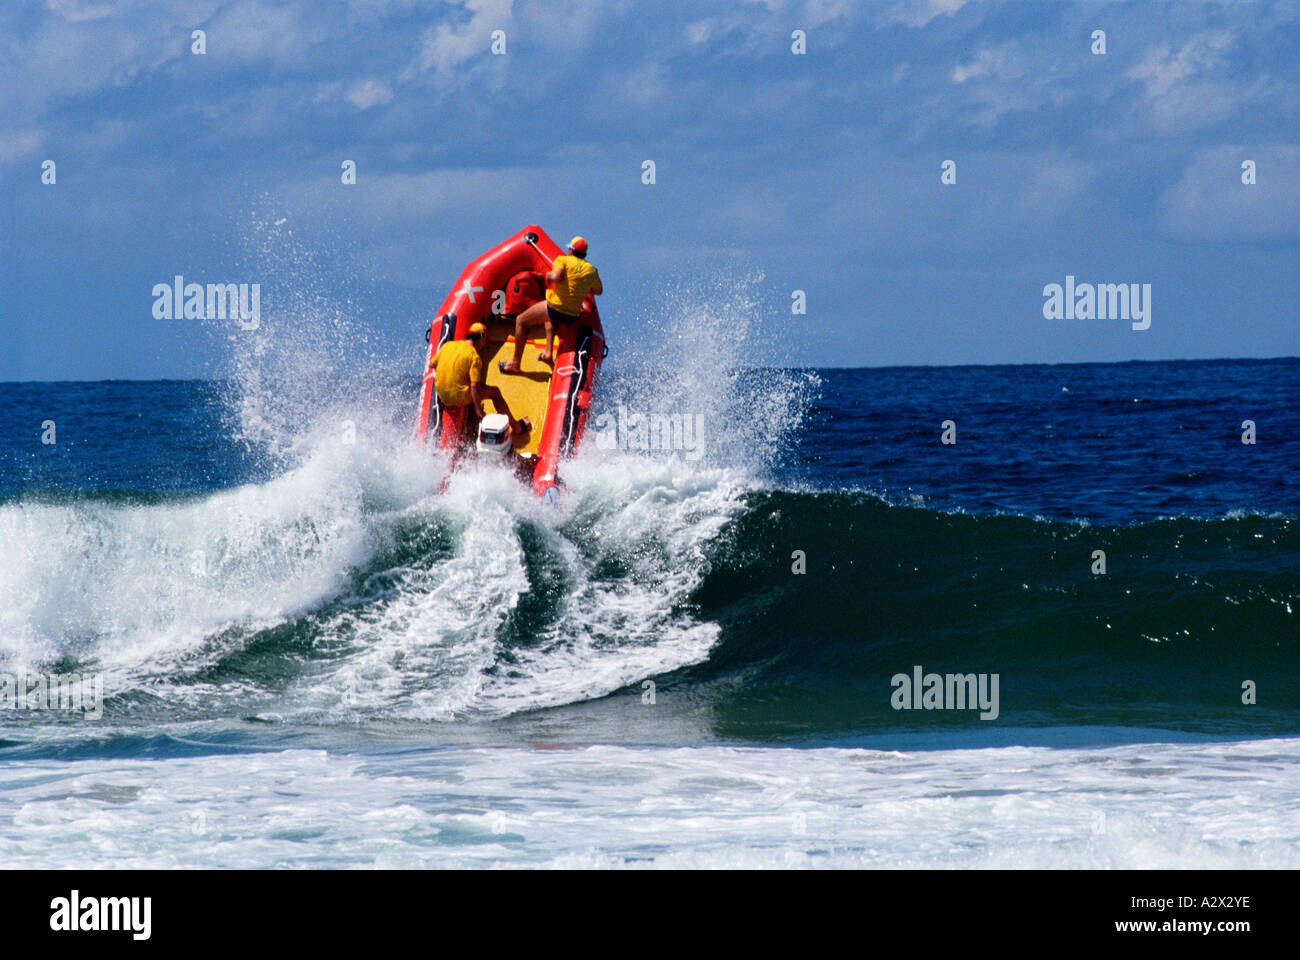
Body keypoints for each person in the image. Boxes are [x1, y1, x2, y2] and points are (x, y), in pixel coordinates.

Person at [501, 236, 601, 373]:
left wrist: (547, 276)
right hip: (572, 315)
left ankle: (515, 363)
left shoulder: (563, 260)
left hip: (556, 307)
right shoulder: (592, 270)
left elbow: (555, 277)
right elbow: (598, 291)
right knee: (549, 318)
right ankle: (548, 353)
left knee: (520, 321)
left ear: (571, 250)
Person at [429, 322, 529, 435]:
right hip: (457, 397)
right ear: (482, 338)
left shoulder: (448, 346)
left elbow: (432, 365)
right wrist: (479, 411)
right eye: (486, 339)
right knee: (495, 392)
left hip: (442, 396)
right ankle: (516, 427)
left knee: (469, 385)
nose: (486, 343)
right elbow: (474, 386)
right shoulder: (474, 357)